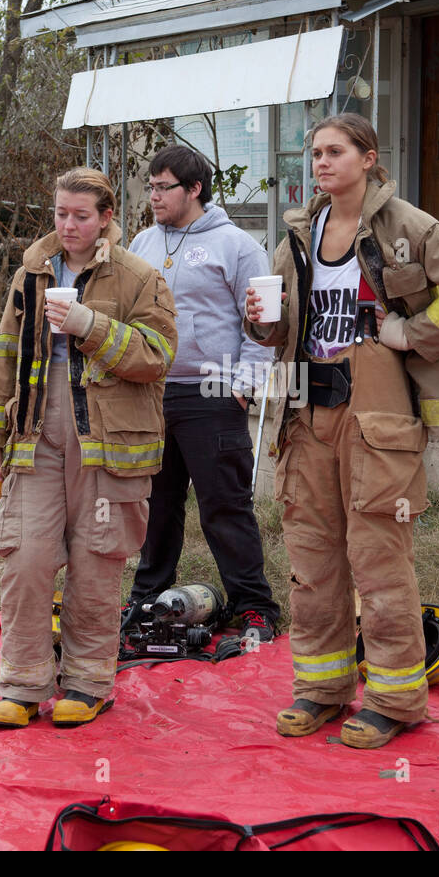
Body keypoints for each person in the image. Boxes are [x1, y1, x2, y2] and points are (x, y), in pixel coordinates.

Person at [245, 113, 439, 748]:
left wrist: (413, 334)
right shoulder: (301, 234)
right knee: (312, 558)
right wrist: (260, 322)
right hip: (307, 413)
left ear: (369, 159)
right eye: (315, 154)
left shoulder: (407, 227)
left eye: (335, 152)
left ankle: (394, 699)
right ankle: (322, 689)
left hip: (378, 413)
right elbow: (281, 329)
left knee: (379, 560)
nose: (321, 163)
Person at [0, 167, 176, 730]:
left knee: (94, 562)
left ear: (106, 219)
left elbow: (158, 356)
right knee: (28, 557)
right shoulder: (30, 275)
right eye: (61, 213)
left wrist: (89, 325)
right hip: (37, 435)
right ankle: (22, 683)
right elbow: (3, 358)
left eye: (80, 216)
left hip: (108, 443)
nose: (68, 225)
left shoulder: (140, 276)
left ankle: (89, 683)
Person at [126, 144, 280, 642]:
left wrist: (245, 388)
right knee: (155, 501)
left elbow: (263, 325)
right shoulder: (143, 242)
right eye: (150, 186)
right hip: (151, 392)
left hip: (214, 392)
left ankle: (254, 606)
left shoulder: (237, 246)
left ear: (194, 189)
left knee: (224, 504)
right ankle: (148, 598)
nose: (153, 195)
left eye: (163, 186)